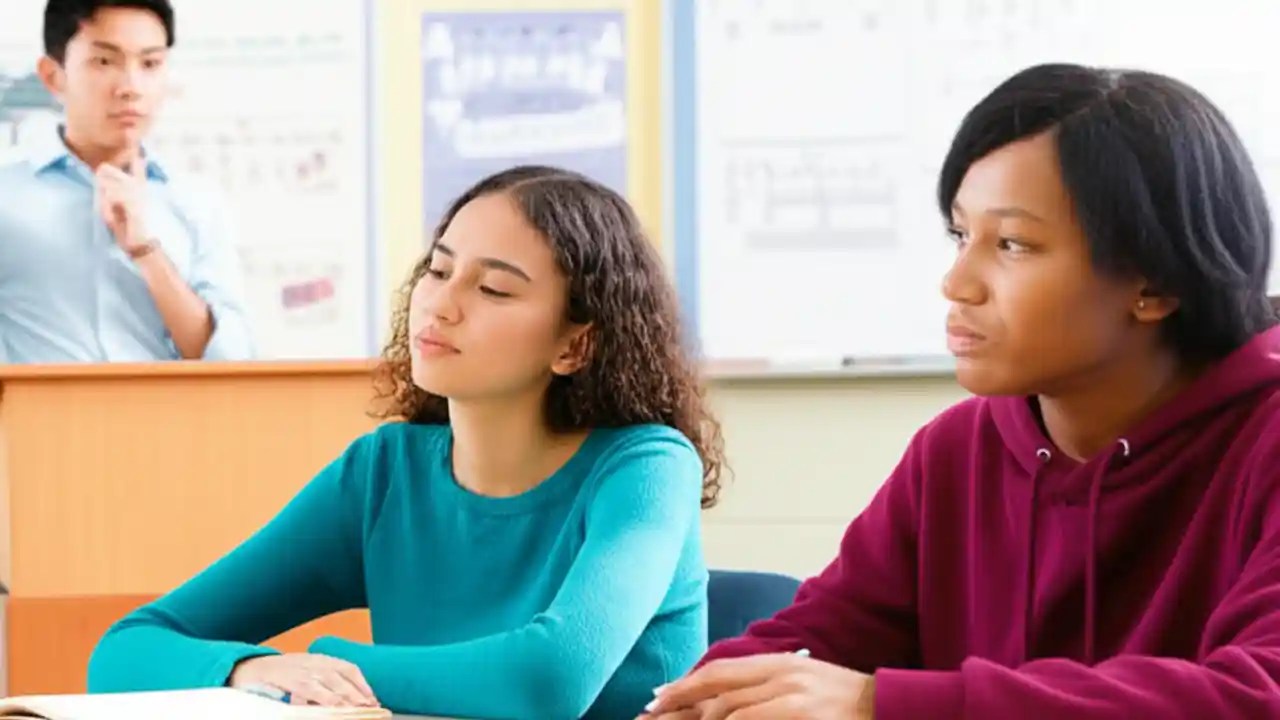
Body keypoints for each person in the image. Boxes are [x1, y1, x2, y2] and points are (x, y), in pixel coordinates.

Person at [643, 63, 1280, 719]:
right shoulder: (956, 450)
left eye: (1011, 243)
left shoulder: (1265, 440)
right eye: (959, 234)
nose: (957, 282)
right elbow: (817, 636)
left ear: (1157, 283)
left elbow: (1258, 695)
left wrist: (879, 703)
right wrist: (710, 699)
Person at [86, 165, 725, 719]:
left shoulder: (646, 468)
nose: (440, 305)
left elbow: (549, 680)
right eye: (438, 269)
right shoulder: (384, 475)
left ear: (575, 344)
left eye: (494, 288)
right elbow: (127, 648)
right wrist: (249, 671)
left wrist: (333, 663)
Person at [0, 0, 253, 364]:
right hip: (39, 421)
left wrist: (145, 250)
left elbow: (229, 362)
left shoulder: (196, 202)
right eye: (104, 61)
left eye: (150, 64)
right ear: (54, 76)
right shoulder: (6, 193)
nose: (131, 87)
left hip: (167, 420)